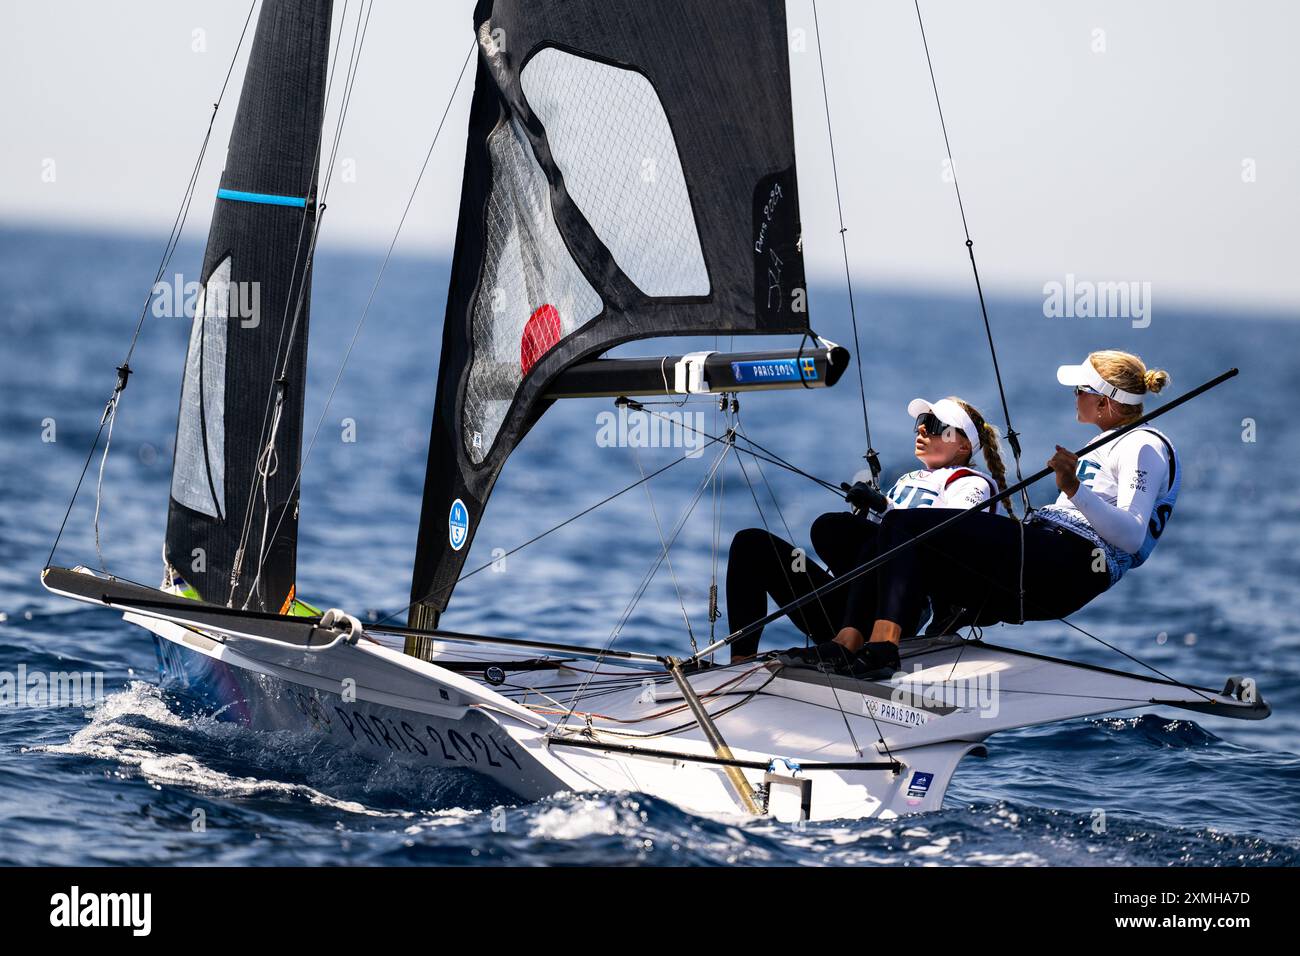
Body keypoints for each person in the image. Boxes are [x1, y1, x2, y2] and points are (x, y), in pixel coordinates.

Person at [817, 349, 1177, 678]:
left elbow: (1131, 536)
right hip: (1048, 551)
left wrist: (1073, 488)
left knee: (902, 525)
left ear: (1104, 401)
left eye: (1080, 390)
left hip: (1071, 564)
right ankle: (848, 642)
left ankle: (883, 648)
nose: (1075, 397)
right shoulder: (1113, 439)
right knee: (872, 534)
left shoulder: (1143, 445)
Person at [725, 396, 1007, 664]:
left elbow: (949, 541)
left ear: (963, 446)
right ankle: (741, 661)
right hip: (849, 606)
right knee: (753, 543)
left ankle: (850, 643)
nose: (922, 429)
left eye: (935, 426)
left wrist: (885, 511)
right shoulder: (908, 480)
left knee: (852, 531)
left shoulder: (971, 484)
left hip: (899, 611)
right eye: (921, 422)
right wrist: (871, 509)